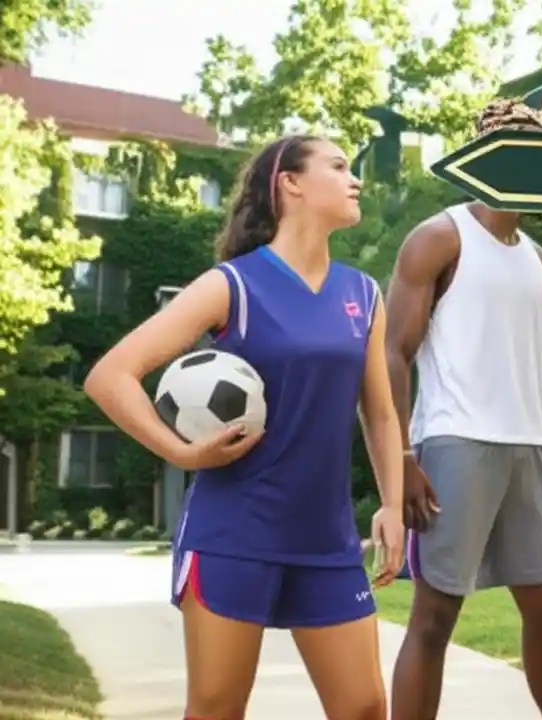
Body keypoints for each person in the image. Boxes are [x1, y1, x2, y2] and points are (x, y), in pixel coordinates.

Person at [83, 134, 406, 720]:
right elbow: (111, 376)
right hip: (235, 533)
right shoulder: (232, 285)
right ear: (291, 182)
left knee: (363, 708)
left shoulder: (364, 294)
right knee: (216, 709)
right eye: (338, 167)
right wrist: (180, 454)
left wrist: (393, 505)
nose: (355, 179)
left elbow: (379, 413)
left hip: (327, 539)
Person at [385, 98, 542, 720]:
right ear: (485, 153)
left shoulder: (539, 260)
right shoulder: (439, 237)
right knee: (436, 617)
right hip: (455, 442)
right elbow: (393, 353)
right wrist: (402, 459)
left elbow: (532, 365)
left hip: (531, 449)